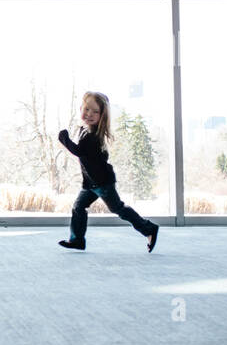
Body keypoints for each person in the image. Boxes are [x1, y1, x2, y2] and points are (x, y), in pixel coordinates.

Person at [56, 91, 159, 252]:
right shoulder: (85, 129)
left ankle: (149, 228)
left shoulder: (93, 134)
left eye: (95, 111)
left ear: (102, 116)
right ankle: (77, 240)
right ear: (81, 108)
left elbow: (80, 152)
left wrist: (65, 140)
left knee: (118, 208)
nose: (89, 114)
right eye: (87, 109)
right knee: (78, 206)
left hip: (102, 182)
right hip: (91, 182)